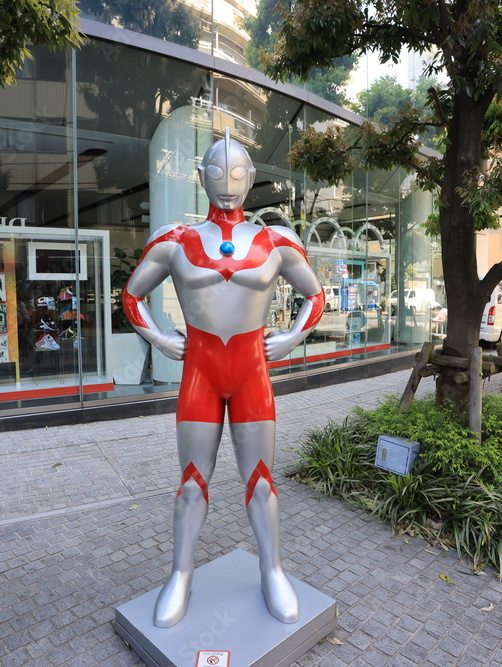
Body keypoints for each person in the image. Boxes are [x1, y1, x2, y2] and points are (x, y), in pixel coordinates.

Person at [122, 130, 325, 628]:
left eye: (237, 174)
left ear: (251, 179)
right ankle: (180, 574)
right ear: (201, 177)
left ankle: (272, 569)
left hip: (252, 372)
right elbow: (131, 296)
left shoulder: (277, 240)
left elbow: (314, 296)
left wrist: (295, 337)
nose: (227, 183)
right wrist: (160, 339)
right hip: (201, 374)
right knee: (192, 484)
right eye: (216, 173)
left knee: (260, 483)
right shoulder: (176, 240)